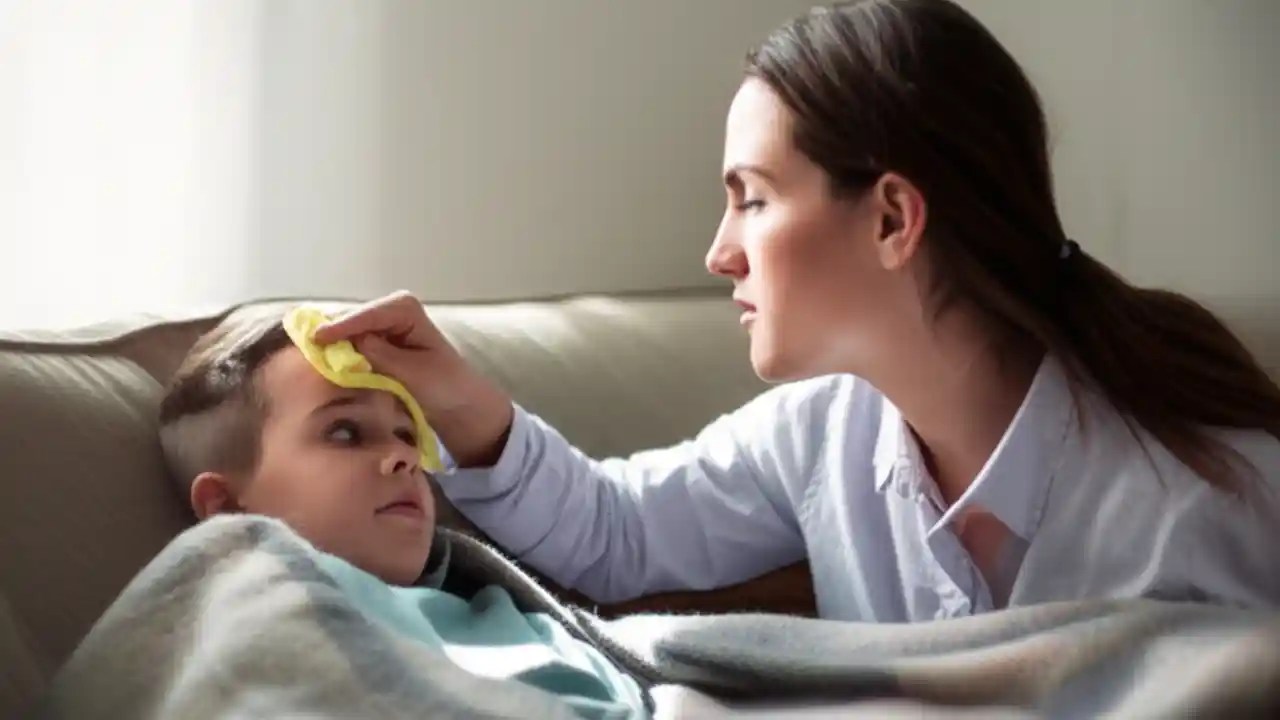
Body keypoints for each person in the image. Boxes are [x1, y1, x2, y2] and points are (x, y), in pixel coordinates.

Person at [316, 0, 1280, 621]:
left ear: (894, 217)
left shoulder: (1215, 506)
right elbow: (618, 534)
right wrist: (456, 400)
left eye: (754, 195)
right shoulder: (823, 432)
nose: (718, 249)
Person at [157, 311, 650, 718]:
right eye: (346, 432)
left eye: (407, 435)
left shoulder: (496, 609)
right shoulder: (263, 626)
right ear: (225, 507)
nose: (405, 458)